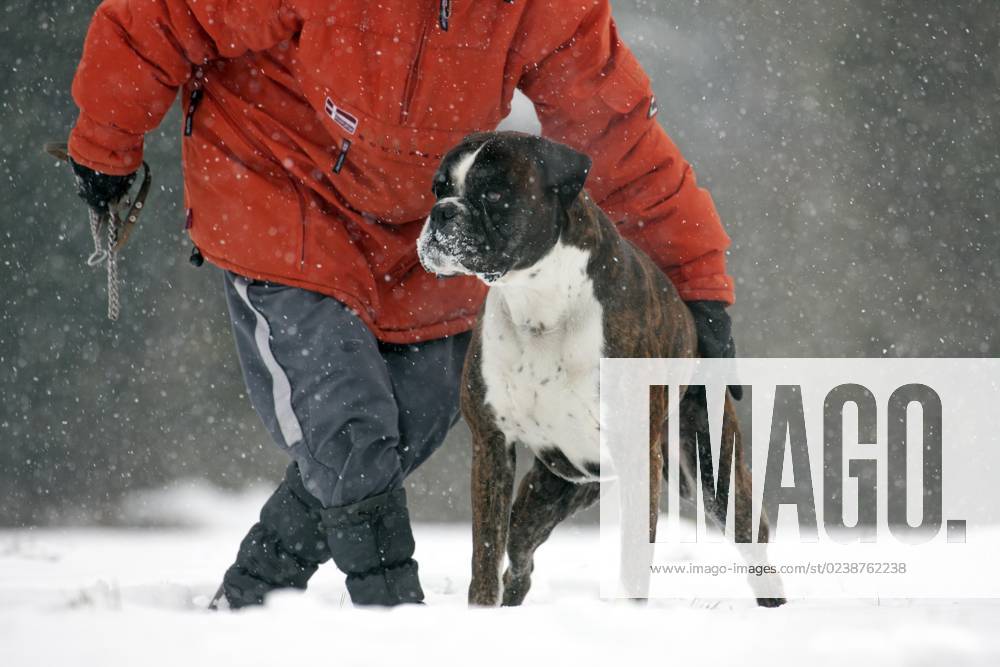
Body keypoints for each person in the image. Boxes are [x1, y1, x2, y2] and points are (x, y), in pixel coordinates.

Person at [67, 0, 739, 609]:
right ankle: (392, 621)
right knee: (346, 417)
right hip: (278, 182)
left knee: (420, 406)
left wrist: (700, 293)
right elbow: (160, 15)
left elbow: (616, 137)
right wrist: (106, 145)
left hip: (421, 223)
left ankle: (249, 602)